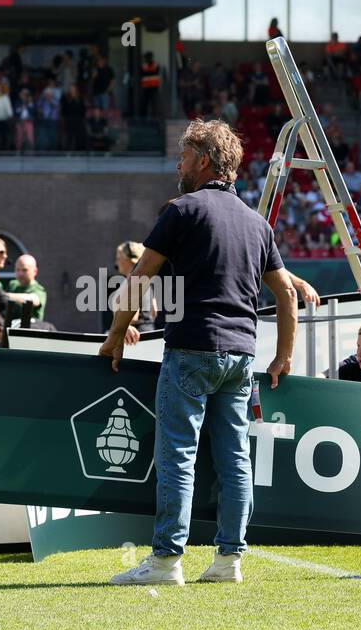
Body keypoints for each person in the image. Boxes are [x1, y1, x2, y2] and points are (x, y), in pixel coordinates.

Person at [100, 119, 297, 586]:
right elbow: (286, 294)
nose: (178, 164)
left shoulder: (182, 210)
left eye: (184, 156)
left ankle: (166, 563)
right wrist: (283, 355)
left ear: (204, 161)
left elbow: (139, 277)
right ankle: (230, 561)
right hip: (241, 356)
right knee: (235, 458)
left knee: (178, 456)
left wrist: (115, 334)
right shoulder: (257, 223)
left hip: (191, 348)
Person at [4, 253, 46, 326]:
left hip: (29, 332)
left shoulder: (38, 289)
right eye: (17, 270)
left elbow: (34, 300)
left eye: (25, 270)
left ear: (35, 271)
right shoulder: (12, 285)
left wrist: (6, 296)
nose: (20, 273)